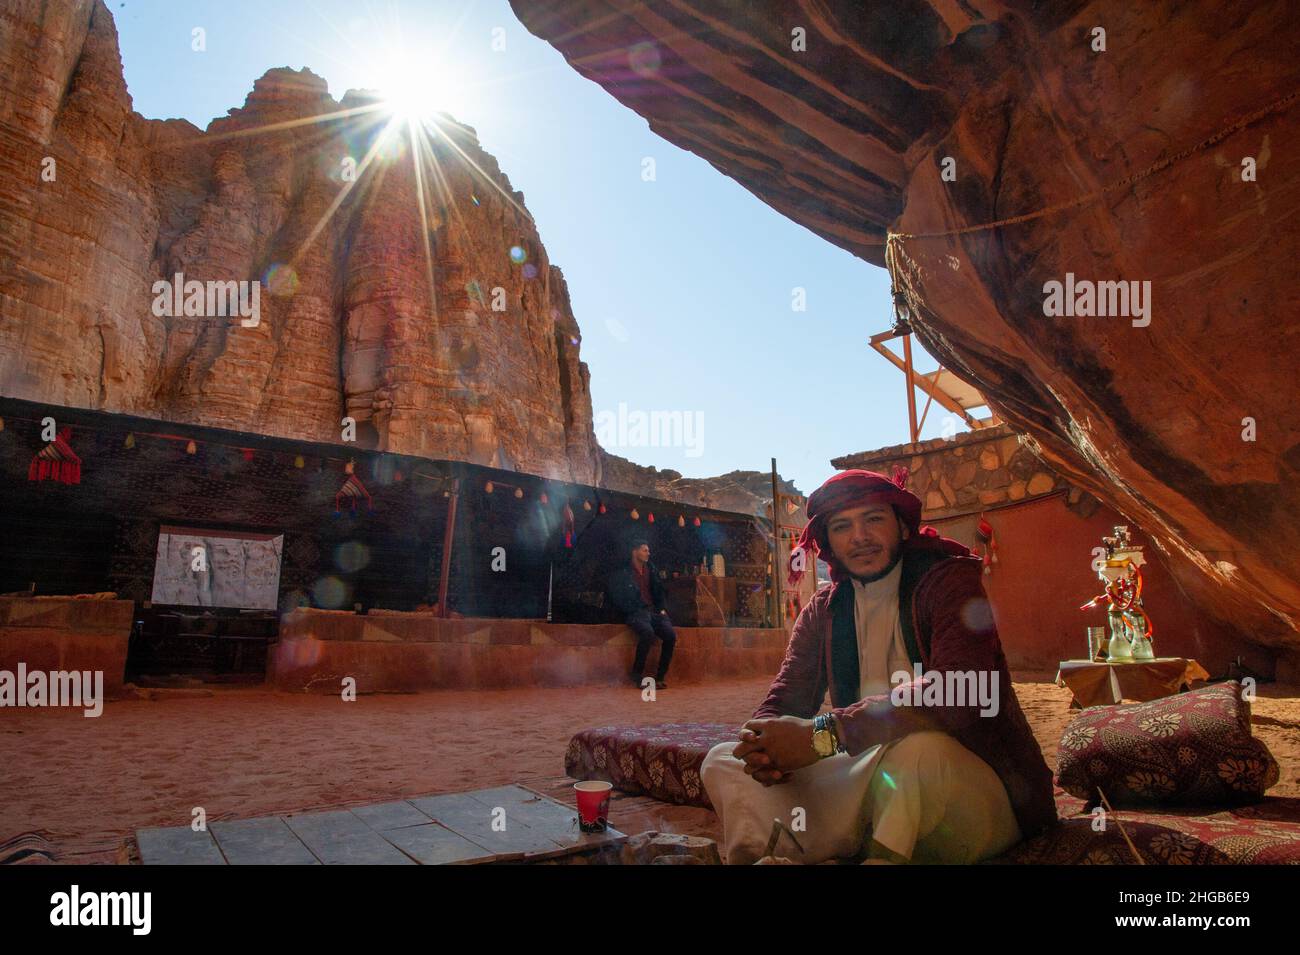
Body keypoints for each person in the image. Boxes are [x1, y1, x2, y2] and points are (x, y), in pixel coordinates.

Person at [700, 468, 1056, 864]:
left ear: (902, 528)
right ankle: (788, 852)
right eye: (842, 526)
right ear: (828, 543)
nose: (860, 537)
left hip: (971, 794)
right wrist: (762, 749)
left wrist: (825, 736)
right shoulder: (825, 610)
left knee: (919, 751)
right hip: (875, 779)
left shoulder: (949, 582)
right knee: (722, 760)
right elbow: (786, 696)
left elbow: (963, 692)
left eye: (873, 519)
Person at [607, 538, 676, 688]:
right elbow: (618, 595)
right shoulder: (625, 572)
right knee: (647, 633)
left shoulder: (651, 569)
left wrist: (662, 608)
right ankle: (637, 674)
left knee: (670, 635)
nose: (648, 553)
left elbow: (659, 590)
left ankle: (660, 677)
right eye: (645, 550)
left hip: (654, 611)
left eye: (648, 550)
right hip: (636, 612)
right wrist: (630, 609)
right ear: (635, 551)